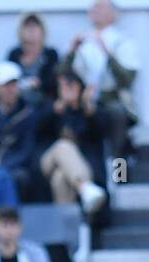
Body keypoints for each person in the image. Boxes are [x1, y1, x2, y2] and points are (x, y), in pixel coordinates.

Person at [61, 0, 140, 158]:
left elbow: (127, 80)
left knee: (117, 115)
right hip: (83, 98)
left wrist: (108, 53)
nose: (95, 9)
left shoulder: (122, 41)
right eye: (94, 6)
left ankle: (118, 168)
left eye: (101, 6)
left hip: (110, 99)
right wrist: (72, 51)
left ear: (113, 14)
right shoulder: (82, 39)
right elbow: (61, 74)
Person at [34, 69, 109, 215]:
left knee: (60, 178)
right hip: (48, 162)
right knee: (63, 145)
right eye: (63, 86)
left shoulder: (90, 110)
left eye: (71, 85)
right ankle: (85, 187)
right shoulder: (48, 107)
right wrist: (57, 108)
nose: (67, 89)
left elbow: (103, 131)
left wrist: (87, 107)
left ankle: (70, 225)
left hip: (79, 166)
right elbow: (35, 128)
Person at [0, 63, 41, 204]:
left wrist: (0, 169)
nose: (11, 90)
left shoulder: (28, 114)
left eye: (14, 85)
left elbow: (26, 150)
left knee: (18, 177)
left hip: (14, 167)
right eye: (6, 85)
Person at [10, 11, 60, 106]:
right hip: (18, 104)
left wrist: (39, 83)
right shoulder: (14, 54)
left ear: (42, 31)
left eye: (35, 26)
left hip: (44, 104)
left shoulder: (51, 54)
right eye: (27, 26)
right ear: (20, 31)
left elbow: (55, 81)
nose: (31, 30)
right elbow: (7, 78)